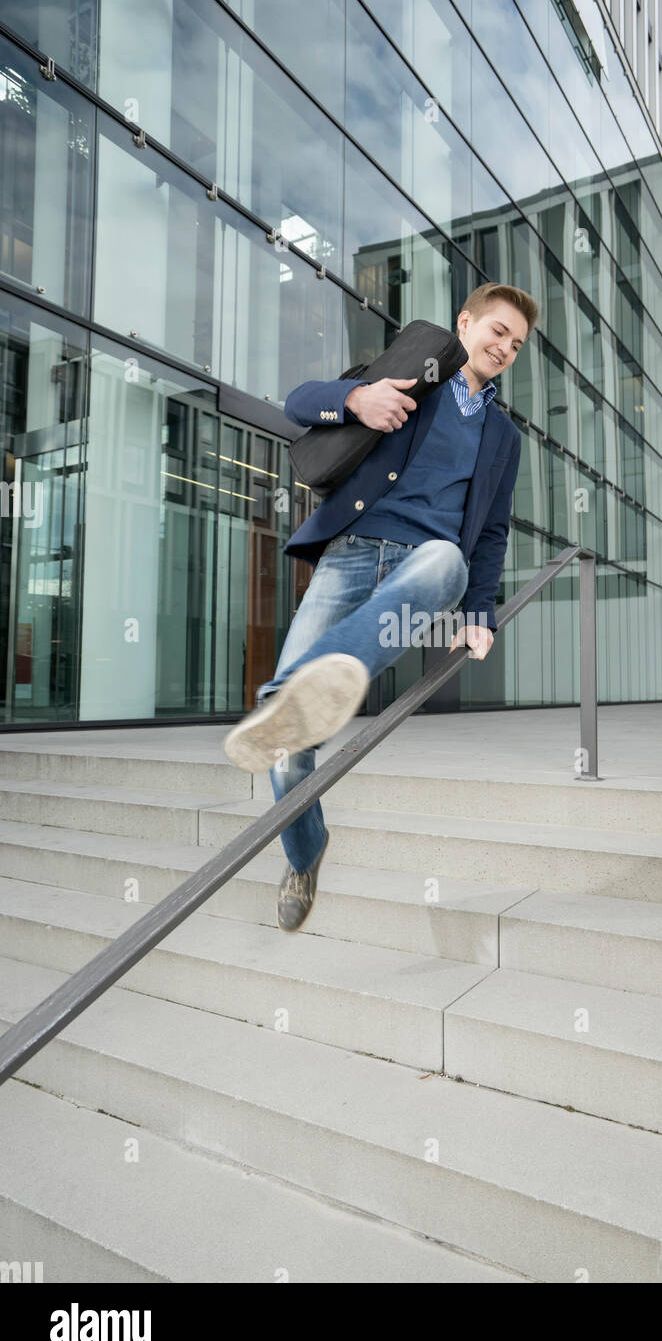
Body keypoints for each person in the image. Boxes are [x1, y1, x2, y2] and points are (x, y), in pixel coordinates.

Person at [223, 282, 539, 931]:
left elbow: (491, 532)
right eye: (498, 331)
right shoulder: (413, 375)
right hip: (350, 554)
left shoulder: (504, 437)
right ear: (465, 323)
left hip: (427, 567)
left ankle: (329, 674)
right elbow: (299, 401)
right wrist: (356, 399)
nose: (506, 348)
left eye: (517, 344)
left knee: (446, 560)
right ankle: (305, 855)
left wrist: (480, 613)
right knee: (285, 736)